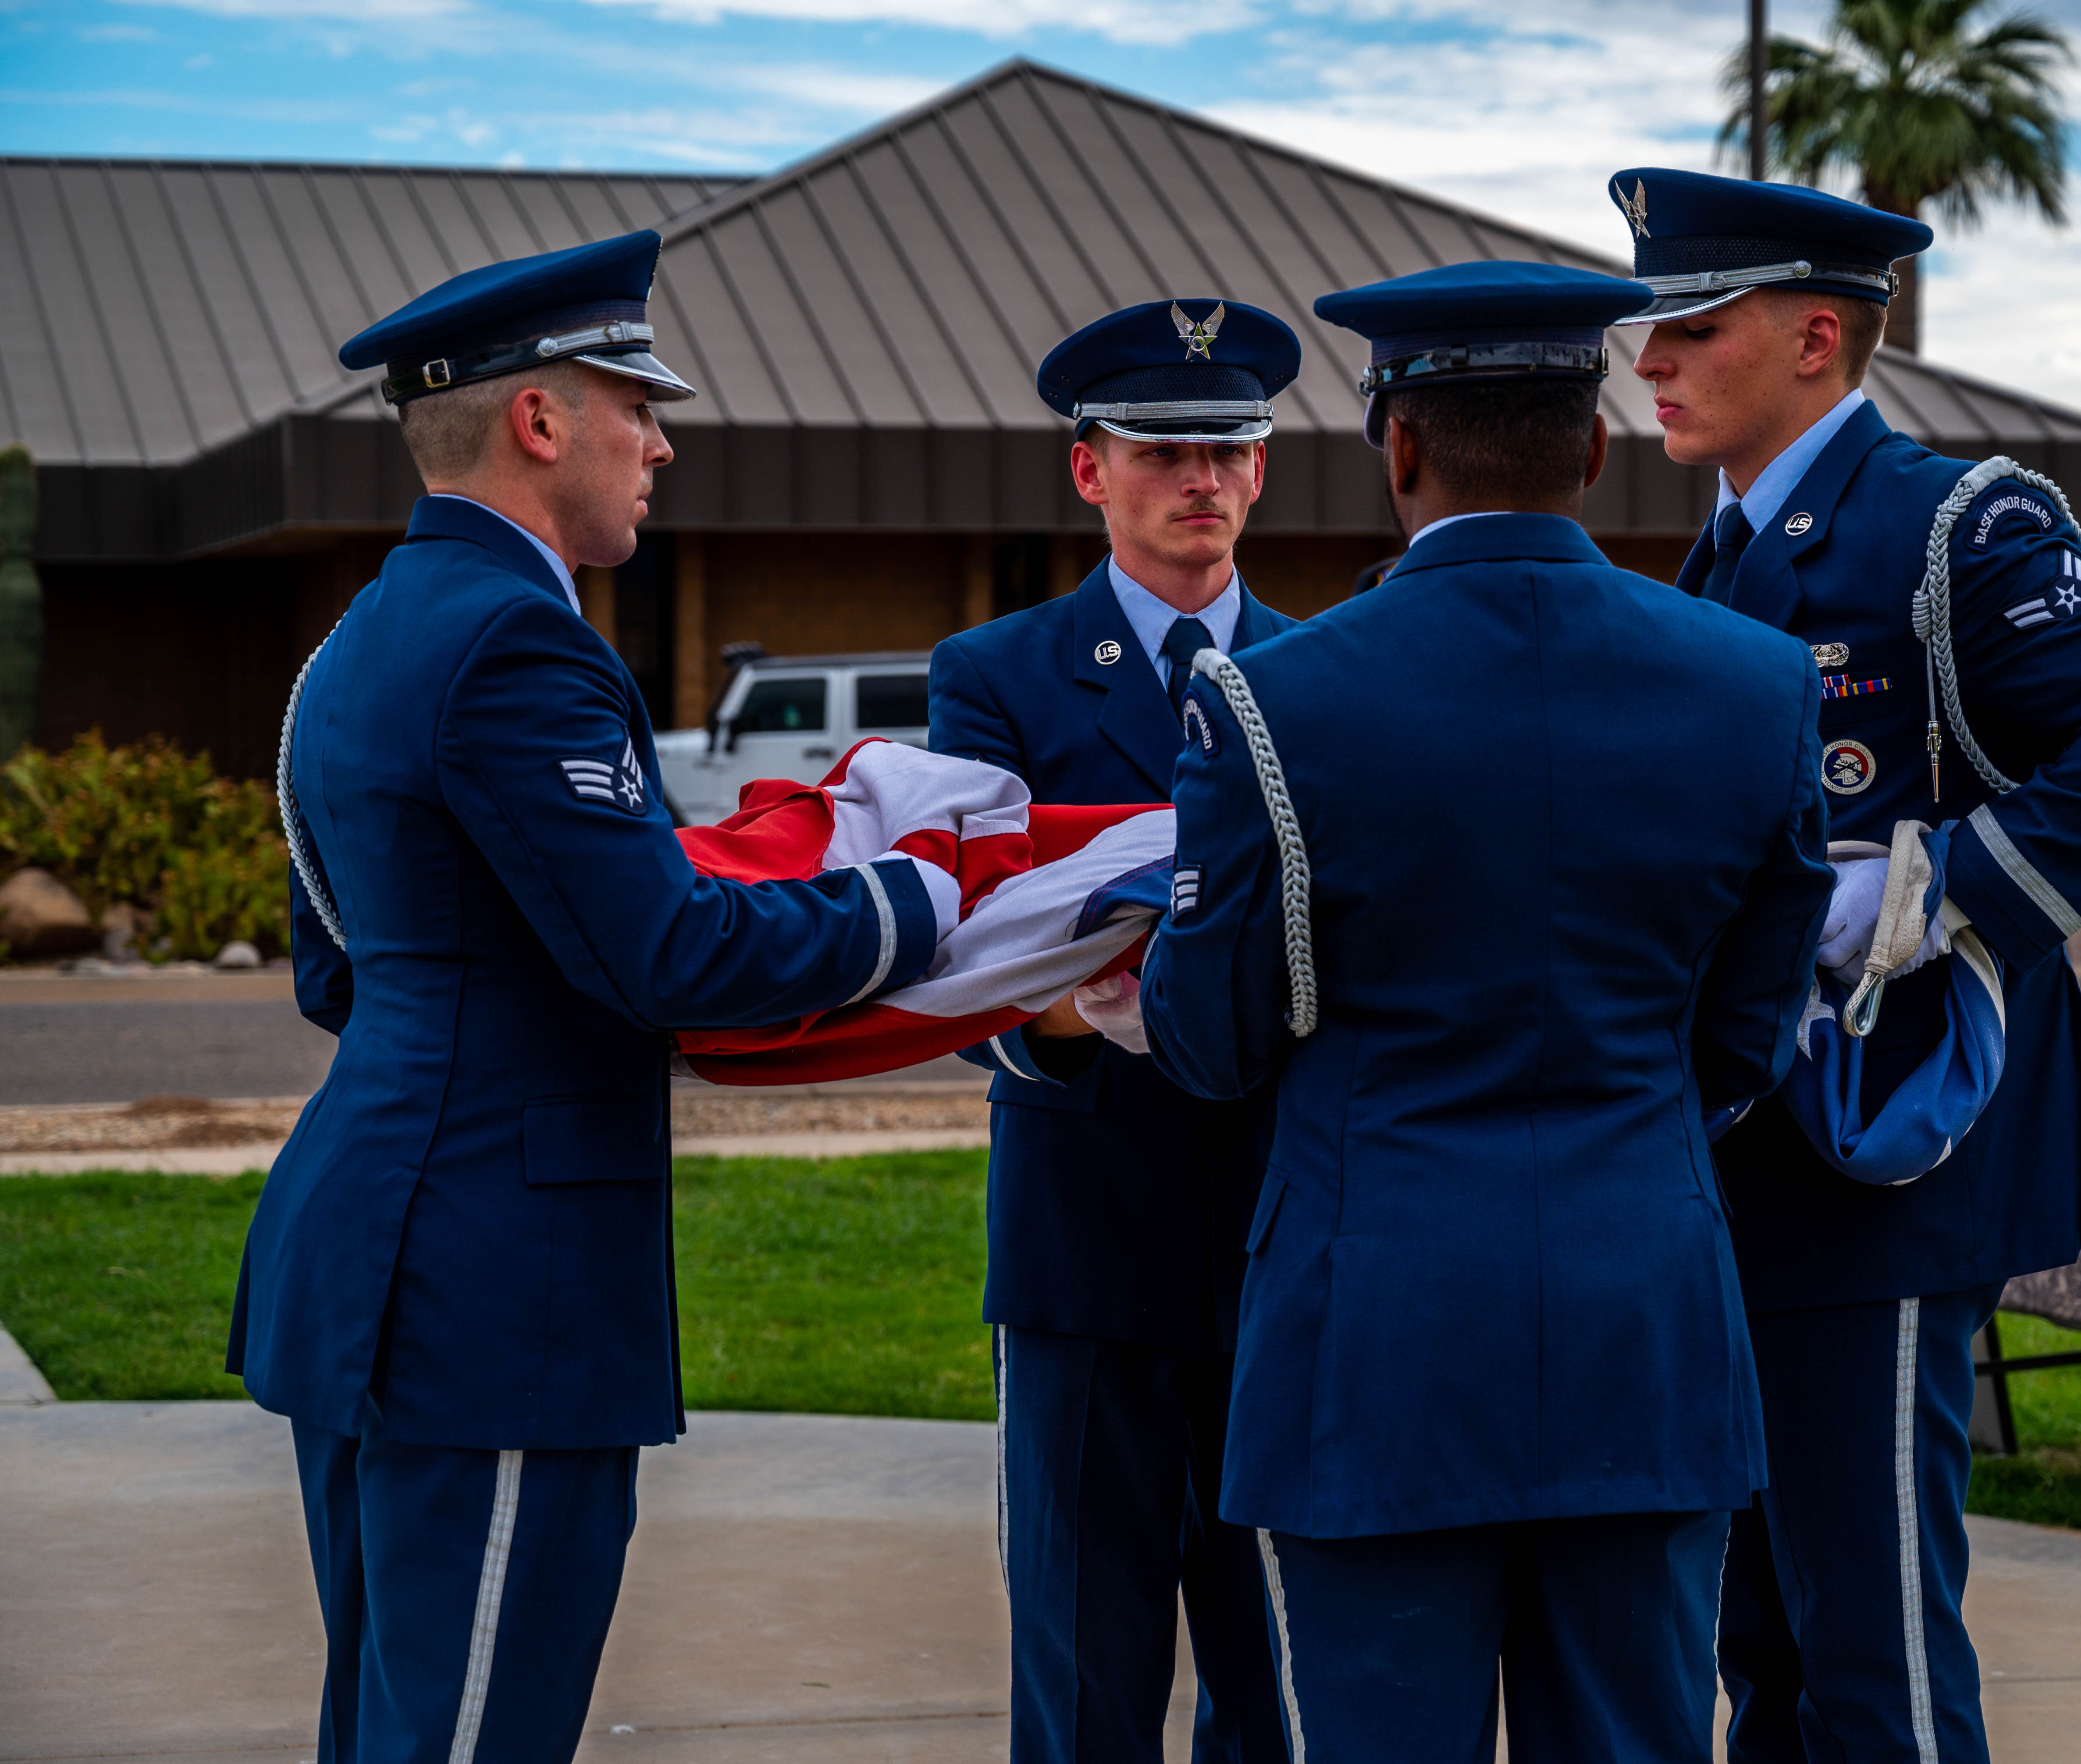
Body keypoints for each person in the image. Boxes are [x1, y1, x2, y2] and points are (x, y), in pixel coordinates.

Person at [227, 231, 959, 1764]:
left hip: (380, 1236)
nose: (662, 440)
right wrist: (920, 899)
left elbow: (334, 968)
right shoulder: (516, 645)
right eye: (636, 402)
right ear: (540, 422)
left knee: (396, 1717)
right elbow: (670, 957)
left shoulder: (358, 639)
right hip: (490, 1283)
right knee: (480, 1728)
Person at [1613, 165, 2081, 1764]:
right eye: (1656, 328)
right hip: (1760, 1145)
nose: (1655, 360)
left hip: (1898, 1150)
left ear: (1819, 337)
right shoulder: (1716, 556)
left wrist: (1942, 885)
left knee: (1875, 1648)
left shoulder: (1950, 523)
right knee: (1760, 1634)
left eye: (1698, 325)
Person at [1140, 260, 1837, 1763]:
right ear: (1591, 449)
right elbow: (1745, 1036)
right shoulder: (1760, 684)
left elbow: (1209, 1044)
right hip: (1642, 1310)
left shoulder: (1273, 699)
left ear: (1395, 445)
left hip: (1371, 1329)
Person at [926, 298, 1296, 1764]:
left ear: (1263, 471)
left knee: (1281, 1677)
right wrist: (1058, 1022)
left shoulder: (1324, 673)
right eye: (1161, 449)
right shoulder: (998, 677)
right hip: (1087, 1229)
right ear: (1091, 471)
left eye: (1230, 447)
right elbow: (955, 942)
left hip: (1281, 1225)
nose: (1199, 479)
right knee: (1085, 1672)